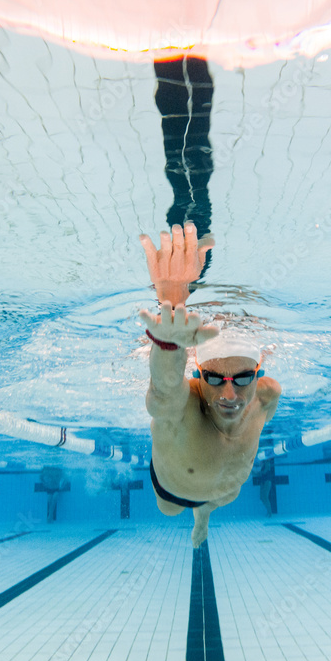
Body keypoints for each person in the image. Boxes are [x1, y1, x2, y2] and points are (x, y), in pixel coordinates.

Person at [138, 222, 282, 547]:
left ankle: (204, 515)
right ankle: (199, 512)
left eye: (243, 378)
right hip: (173, 492)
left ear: (259, 371)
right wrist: (169, 343)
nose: (229, 395)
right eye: (214, 379)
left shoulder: (268, 396)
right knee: (170, 511)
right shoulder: (181, 407)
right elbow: (163, 393)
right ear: (198, 374)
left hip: (224, 493)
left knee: (217, 500)